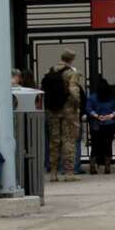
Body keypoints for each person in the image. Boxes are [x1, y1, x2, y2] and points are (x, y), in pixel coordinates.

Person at [42, 48, 86, 182]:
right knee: (69, 140)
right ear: (71, 59)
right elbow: (74, 91)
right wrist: (78, 106)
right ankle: (69, 172)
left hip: (52, 111)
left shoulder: (50, 71)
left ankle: (53, 173)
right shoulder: (71, 72)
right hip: (68, 111)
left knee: (54, 141)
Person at [86, 77, 115, 175]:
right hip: (110, 124)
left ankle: (92, 167)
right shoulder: (113, 97)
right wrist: (111, 115)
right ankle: (107, 167)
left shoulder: (92, 97)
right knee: (108, 145)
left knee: (95, 145)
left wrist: (96, 115)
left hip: (96, 124)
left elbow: (88, 108)